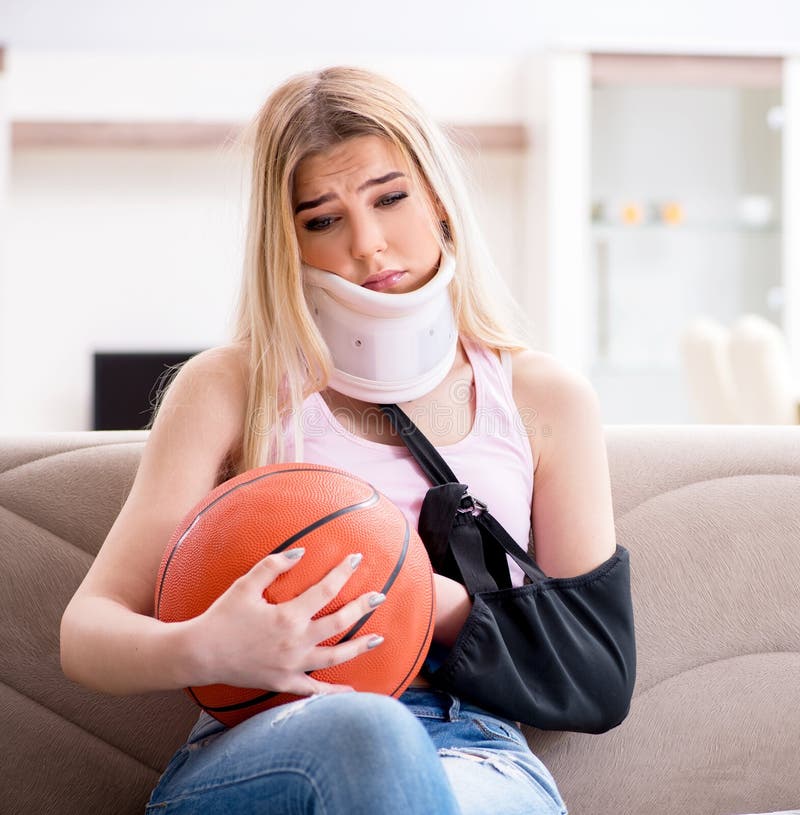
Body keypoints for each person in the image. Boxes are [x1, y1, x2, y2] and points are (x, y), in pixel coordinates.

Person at [60, 65, 619, 815]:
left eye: (391, 198)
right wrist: (206, 645)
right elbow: (87, 634)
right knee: (367, 729)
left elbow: (598, 668)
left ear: (440, 199)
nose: (368, 245)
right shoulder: (230, 387)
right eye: (322, 219)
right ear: (285, 242)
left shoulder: (544, 398)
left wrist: (420, 598)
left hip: (476, 747)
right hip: (263, 741)